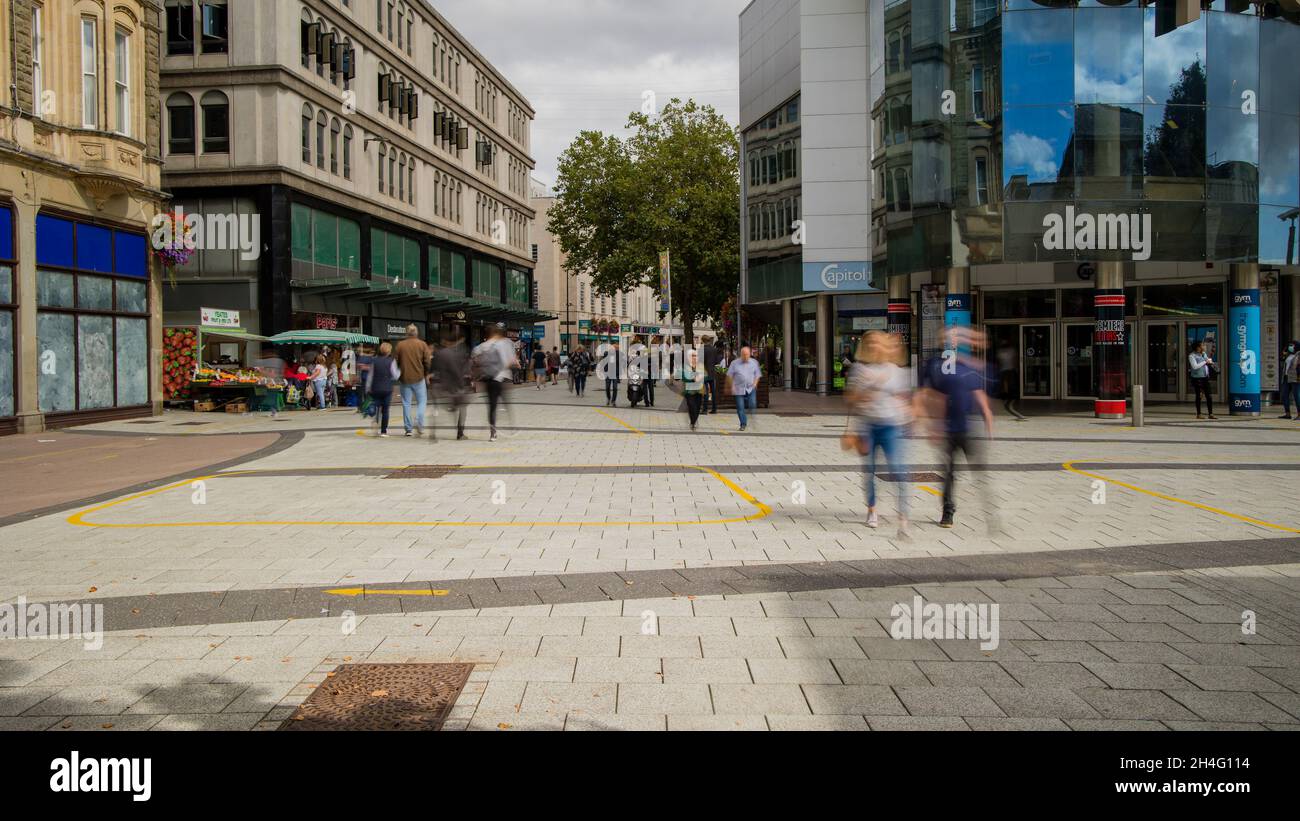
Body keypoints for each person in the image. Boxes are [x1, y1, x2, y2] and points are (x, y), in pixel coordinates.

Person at [918, 327, 995, 530]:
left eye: (954, 339)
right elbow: (930, 395)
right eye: (947, 339)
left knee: (977, 470)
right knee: (949, 472)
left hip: (968, 427)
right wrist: (933, 424)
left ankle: (989, 513)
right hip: (948, 428)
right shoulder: (935, 365)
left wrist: (987, 415)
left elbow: (978, 392)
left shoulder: (967, 365)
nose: (951, 342)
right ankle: (948, 511)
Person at [845, 332, 912, 536]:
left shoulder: (896, 370)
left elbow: (905, 398)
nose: (874, 346)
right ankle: (872, 510)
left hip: (892, 425)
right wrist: (869, 389)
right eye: (869, 343)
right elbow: (850, 399)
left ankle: (903, 517)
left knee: (898, 471)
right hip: (868, 426)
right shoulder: (859, 368)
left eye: (877, 342)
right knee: (870, 470)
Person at [471, 323, 518, 442]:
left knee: (492, 406)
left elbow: (474, 358)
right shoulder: (504, 343)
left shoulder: (482, 346)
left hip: (488, 378)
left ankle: (493, 433)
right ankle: (511, 426)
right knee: (506, 402)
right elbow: (509, 361)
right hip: (501, 378)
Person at [395, 325, 432, 436]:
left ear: (406, 333)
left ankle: (408, 429)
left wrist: (399, 373)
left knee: (406, 403)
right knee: (422, 402)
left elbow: (395, 361)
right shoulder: (422, 344)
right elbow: (427, 362)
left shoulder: (400, 345)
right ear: (416, 333)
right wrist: (426, 374)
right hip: (419, 378)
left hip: (404, 378)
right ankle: (419, 424)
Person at [433, 334, 471, 441]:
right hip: (454, 386)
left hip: (441, 386)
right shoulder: (454, 353)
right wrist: (462, 385)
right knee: (462, 409)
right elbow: (457, 371)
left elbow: (434, 369)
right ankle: (460, 432)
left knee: (446, 408)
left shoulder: (439, 353)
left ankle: (434, 432)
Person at [726, 346, 762, 432]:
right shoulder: (734, 363)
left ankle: (750, 415)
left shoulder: (754, 362)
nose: (745, 356)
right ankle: (743, 423)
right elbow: (729, 375)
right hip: (738, 388)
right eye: (744, 354)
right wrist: (732, 386)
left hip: (750, 388)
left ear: (750, 354)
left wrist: (755, 384)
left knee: (752, 404)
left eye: (747, 354)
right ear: (741, 354)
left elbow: (757, 375)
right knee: (740, 407)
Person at [367, 342, 399, 437]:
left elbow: (370, 376)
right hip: (387, 388)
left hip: (375, 388)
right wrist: (399, 372)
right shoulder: (391, 361)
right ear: (389, 351)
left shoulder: (374, 361)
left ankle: (375, 422)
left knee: (376, 407)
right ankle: (383, 431)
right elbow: (395, 375)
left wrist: (368, 388)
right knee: (385, 410)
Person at [996, 339, 1026, 421]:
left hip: (1006, 369)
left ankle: (1007, 394)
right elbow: (1014, 359)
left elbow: (1000, 361)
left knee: (1007, 383)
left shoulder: (1001, 351)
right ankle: (1009, 394)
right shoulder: (1010, 350)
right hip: (1008, 369)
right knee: (1009, 383)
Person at [679, 348, 707, 430]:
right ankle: (693, 422)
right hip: (689, 390)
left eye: (696, 356)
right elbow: (683, 377)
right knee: (691, 406)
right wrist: (692, 378)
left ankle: (693, 421)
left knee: (697, 407)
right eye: (693, 356)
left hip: (699, 389)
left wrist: (701, 378)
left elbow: (706, 375)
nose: (695, 357)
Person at [1188, 341, 1217, 420]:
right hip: (1197, 378)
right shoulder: (1192, 356)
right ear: (1198, 347)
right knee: (1199, 396)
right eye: (1202, 345)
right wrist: (1205, 361)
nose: (1204, 346)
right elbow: (1195, 366)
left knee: (1209, 396)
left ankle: (1211, 414)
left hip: (1205, 377)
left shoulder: (1203, 354)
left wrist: (1210, 362)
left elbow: (1208, 361)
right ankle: (1199, 414)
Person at [701, 337, 722, 414]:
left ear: (703, 341)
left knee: (706, 391)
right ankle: (714, 409)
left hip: (704, 372)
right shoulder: (714, 349)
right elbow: (717, 361)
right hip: (713, 372)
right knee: (713, 391)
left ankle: (705, 410)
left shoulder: (701, 349)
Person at [1280, 342, 1299, 419]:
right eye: (1289, 346)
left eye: (1292, 346)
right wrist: (1284, 353)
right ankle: (1287, 414)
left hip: (1296, 378)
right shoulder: (1289, 355)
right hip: (1286, 377)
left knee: (1297, 396)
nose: (1290, 347)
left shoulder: (1299, 354)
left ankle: (1299, 414)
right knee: (1284, 395)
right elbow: (1282, 360)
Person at [601, 341, 622, 407]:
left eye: (617, 348)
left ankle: (613, 401)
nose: (616, 349)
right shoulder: (606, 353)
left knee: (615, 388)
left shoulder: (619, 354)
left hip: (615, 374)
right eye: (615, 347)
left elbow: (620, 365)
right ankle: (608, 398)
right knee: (607, 387)